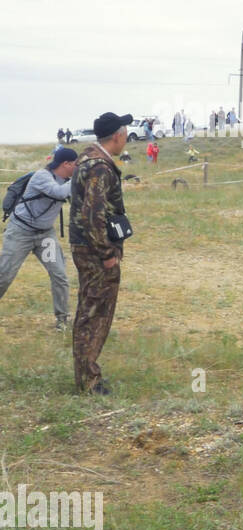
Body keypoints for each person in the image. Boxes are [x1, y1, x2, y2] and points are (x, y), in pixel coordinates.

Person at [70, 112, 132, 395]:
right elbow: (93, 214)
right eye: (125, 132)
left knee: (89, 309)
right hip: (94, 250)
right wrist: (107, 252)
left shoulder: (87, 159)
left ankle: (85, 373)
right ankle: (88, 380)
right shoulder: (99, 167)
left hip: (86, 246)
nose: (127, 136)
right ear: (117, 135)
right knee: (94, 312)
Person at [0, 147, 77, 332]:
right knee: (4, 275)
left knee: (59, 275)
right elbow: (59, 193)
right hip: (20, 232)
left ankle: (62, 320)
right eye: (76, 165)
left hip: (45, 235)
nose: (77, 168)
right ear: (66, 164)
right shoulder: (42, 176)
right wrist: (78, 178)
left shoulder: (66, 181)